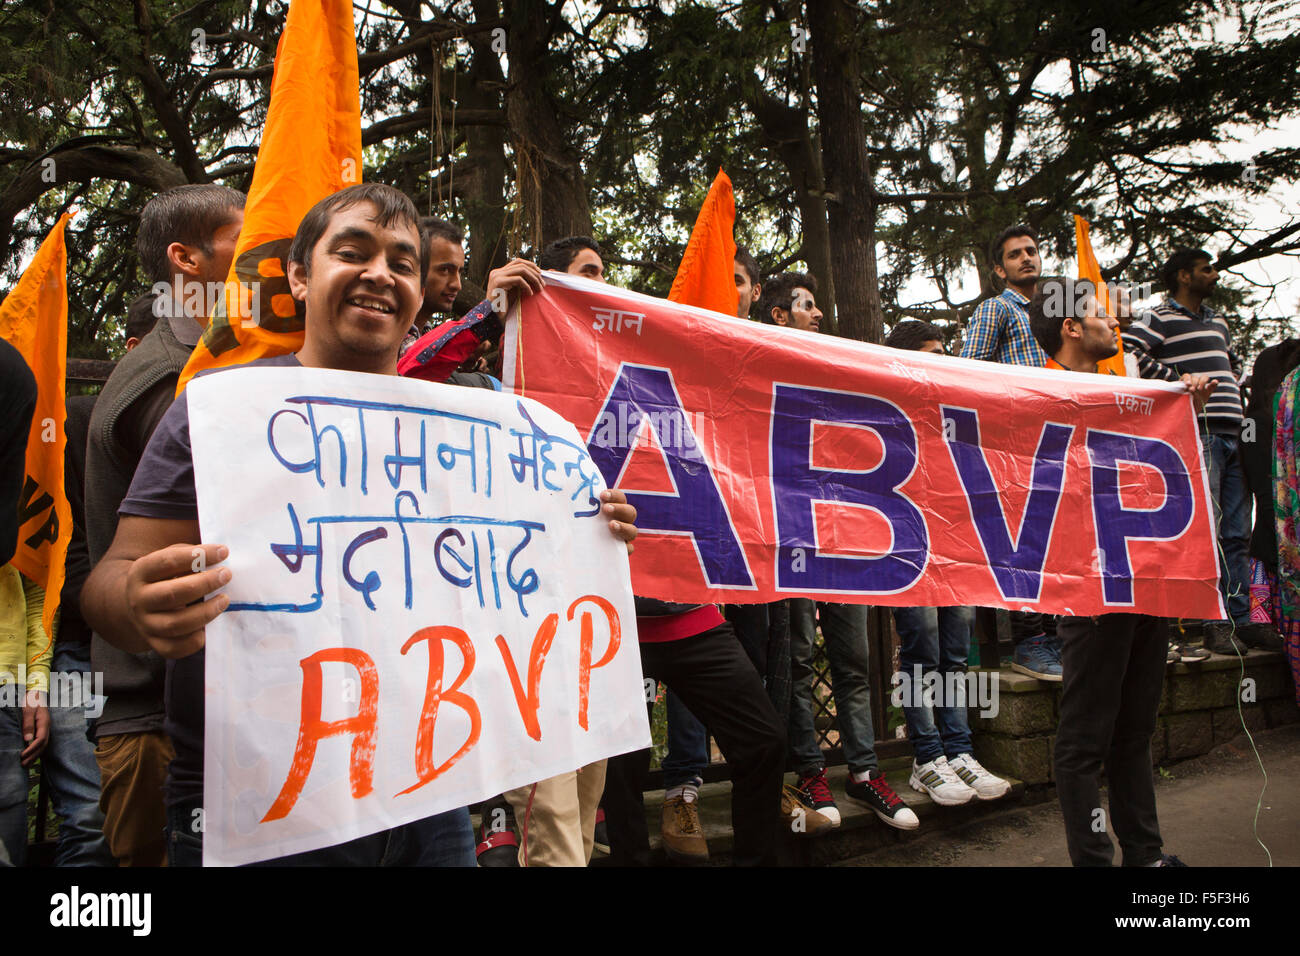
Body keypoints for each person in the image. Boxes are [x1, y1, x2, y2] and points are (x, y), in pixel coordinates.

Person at [80, 184, 639, 866]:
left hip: (427, 790)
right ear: (298, 274)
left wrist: (587, 525)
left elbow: (512, 577)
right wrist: (135, 602)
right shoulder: (220, 413)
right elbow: (105, 582)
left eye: (403, 263)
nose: (380, 273)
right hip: (257, 795)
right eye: (352, 252)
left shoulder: (468, 429)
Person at [534, 238, 790, 866]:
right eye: (585, 274)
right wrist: (497, 312)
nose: (602, 282)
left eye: (604, 271)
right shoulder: (533, 376)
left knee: (762, 742)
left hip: (687, 611)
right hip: (605, 615)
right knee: (618, 770)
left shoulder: (645, 352)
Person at [84, 184, 245, 867]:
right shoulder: (171, 386)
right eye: (249, 235)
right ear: (187, 259)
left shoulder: (218, 363)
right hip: (157, 720)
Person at [1029, 277, 1214, 866]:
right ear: (1071, 327)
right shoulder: (1033, 393)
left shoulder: (1124, 391)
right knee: (1084, 741)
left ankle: (1147, 857)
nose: (1117, 324)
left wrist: (1184, 410)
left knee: (1134, 733)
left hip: (1144, 582)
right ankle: (1094, 860)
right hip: (1090, 593)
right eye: (1102, 316)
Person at [760, 274, 919, 831]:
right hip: (795, 538)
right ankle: (809, 772)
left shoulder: (838, 365)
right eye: (807, 306)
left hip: (848, 536)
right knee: (799, 663)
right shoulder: (761, 363)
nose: (819, 314)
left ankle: (864, 773)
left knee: (854, 663)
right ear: (780, 315)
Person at [1124, 249, 1282, 657]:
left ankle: (1242, 620)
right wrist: (1180, 382)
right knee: (1206, 527)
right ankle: (1213, 623)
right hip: (1199, 429)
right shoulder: (1158, 316)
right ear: (1183, 275)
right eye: (1206, 268)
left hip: (1235, 431)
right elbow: (1127, 348)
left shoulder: (1218, 320)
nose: (1214, 274)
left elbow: (1225, 363)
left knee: (1236, 530)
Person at [884, 320, 1011, 805]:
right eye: (933, 353)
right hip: (909, 548)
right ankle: (927, 758)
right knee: (922, 650)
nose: (945, 360)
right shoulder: (892, 413)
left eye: (945, 351)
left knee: (955, 653)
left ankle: (959, 751)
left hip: (955, 546)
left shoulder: (955, 412)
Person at [960, 225, 1061, 681]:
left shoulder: (1060, 310)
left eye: (1032, 250)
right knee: (1024, 543)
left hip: (1059, 441)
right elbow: (970, 374)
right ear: (999, 268)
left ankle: (1059, 637)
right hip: (1015, 445)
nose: (1027, 258)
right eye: (1015, 254)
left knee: (1057, 539)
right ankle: (1029, 641)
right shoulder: (995, 310)